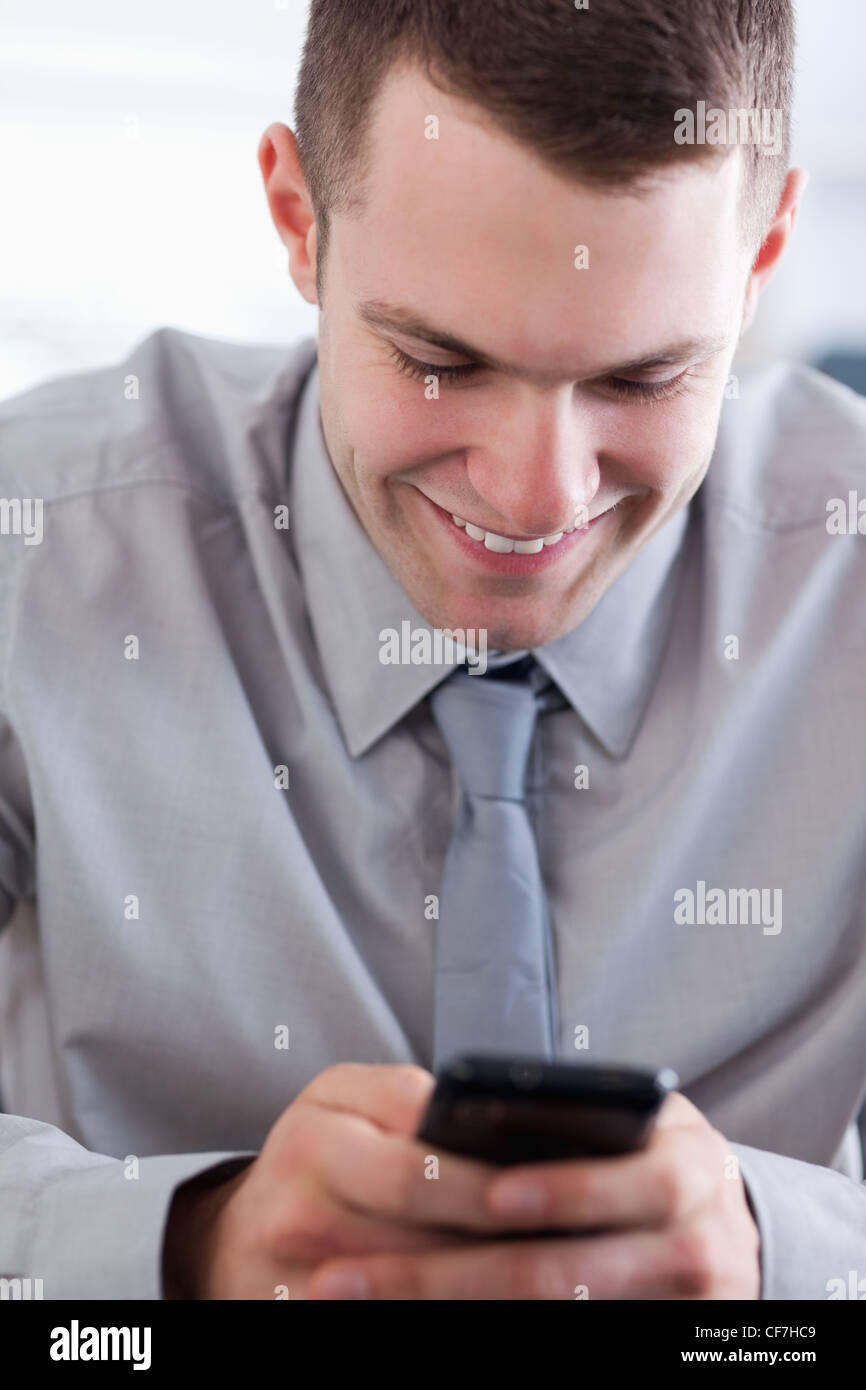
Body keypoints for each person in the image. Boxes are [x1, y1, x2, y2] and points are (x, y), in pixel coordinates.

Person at [0, 0, 864, 1302]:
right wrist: (178, 1246)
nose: (531, 498)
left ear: (763, 258)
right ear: (298, 219)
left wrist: (778, 1252)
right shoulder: (34, 554)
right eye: (436, 361)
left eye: (640, 380)